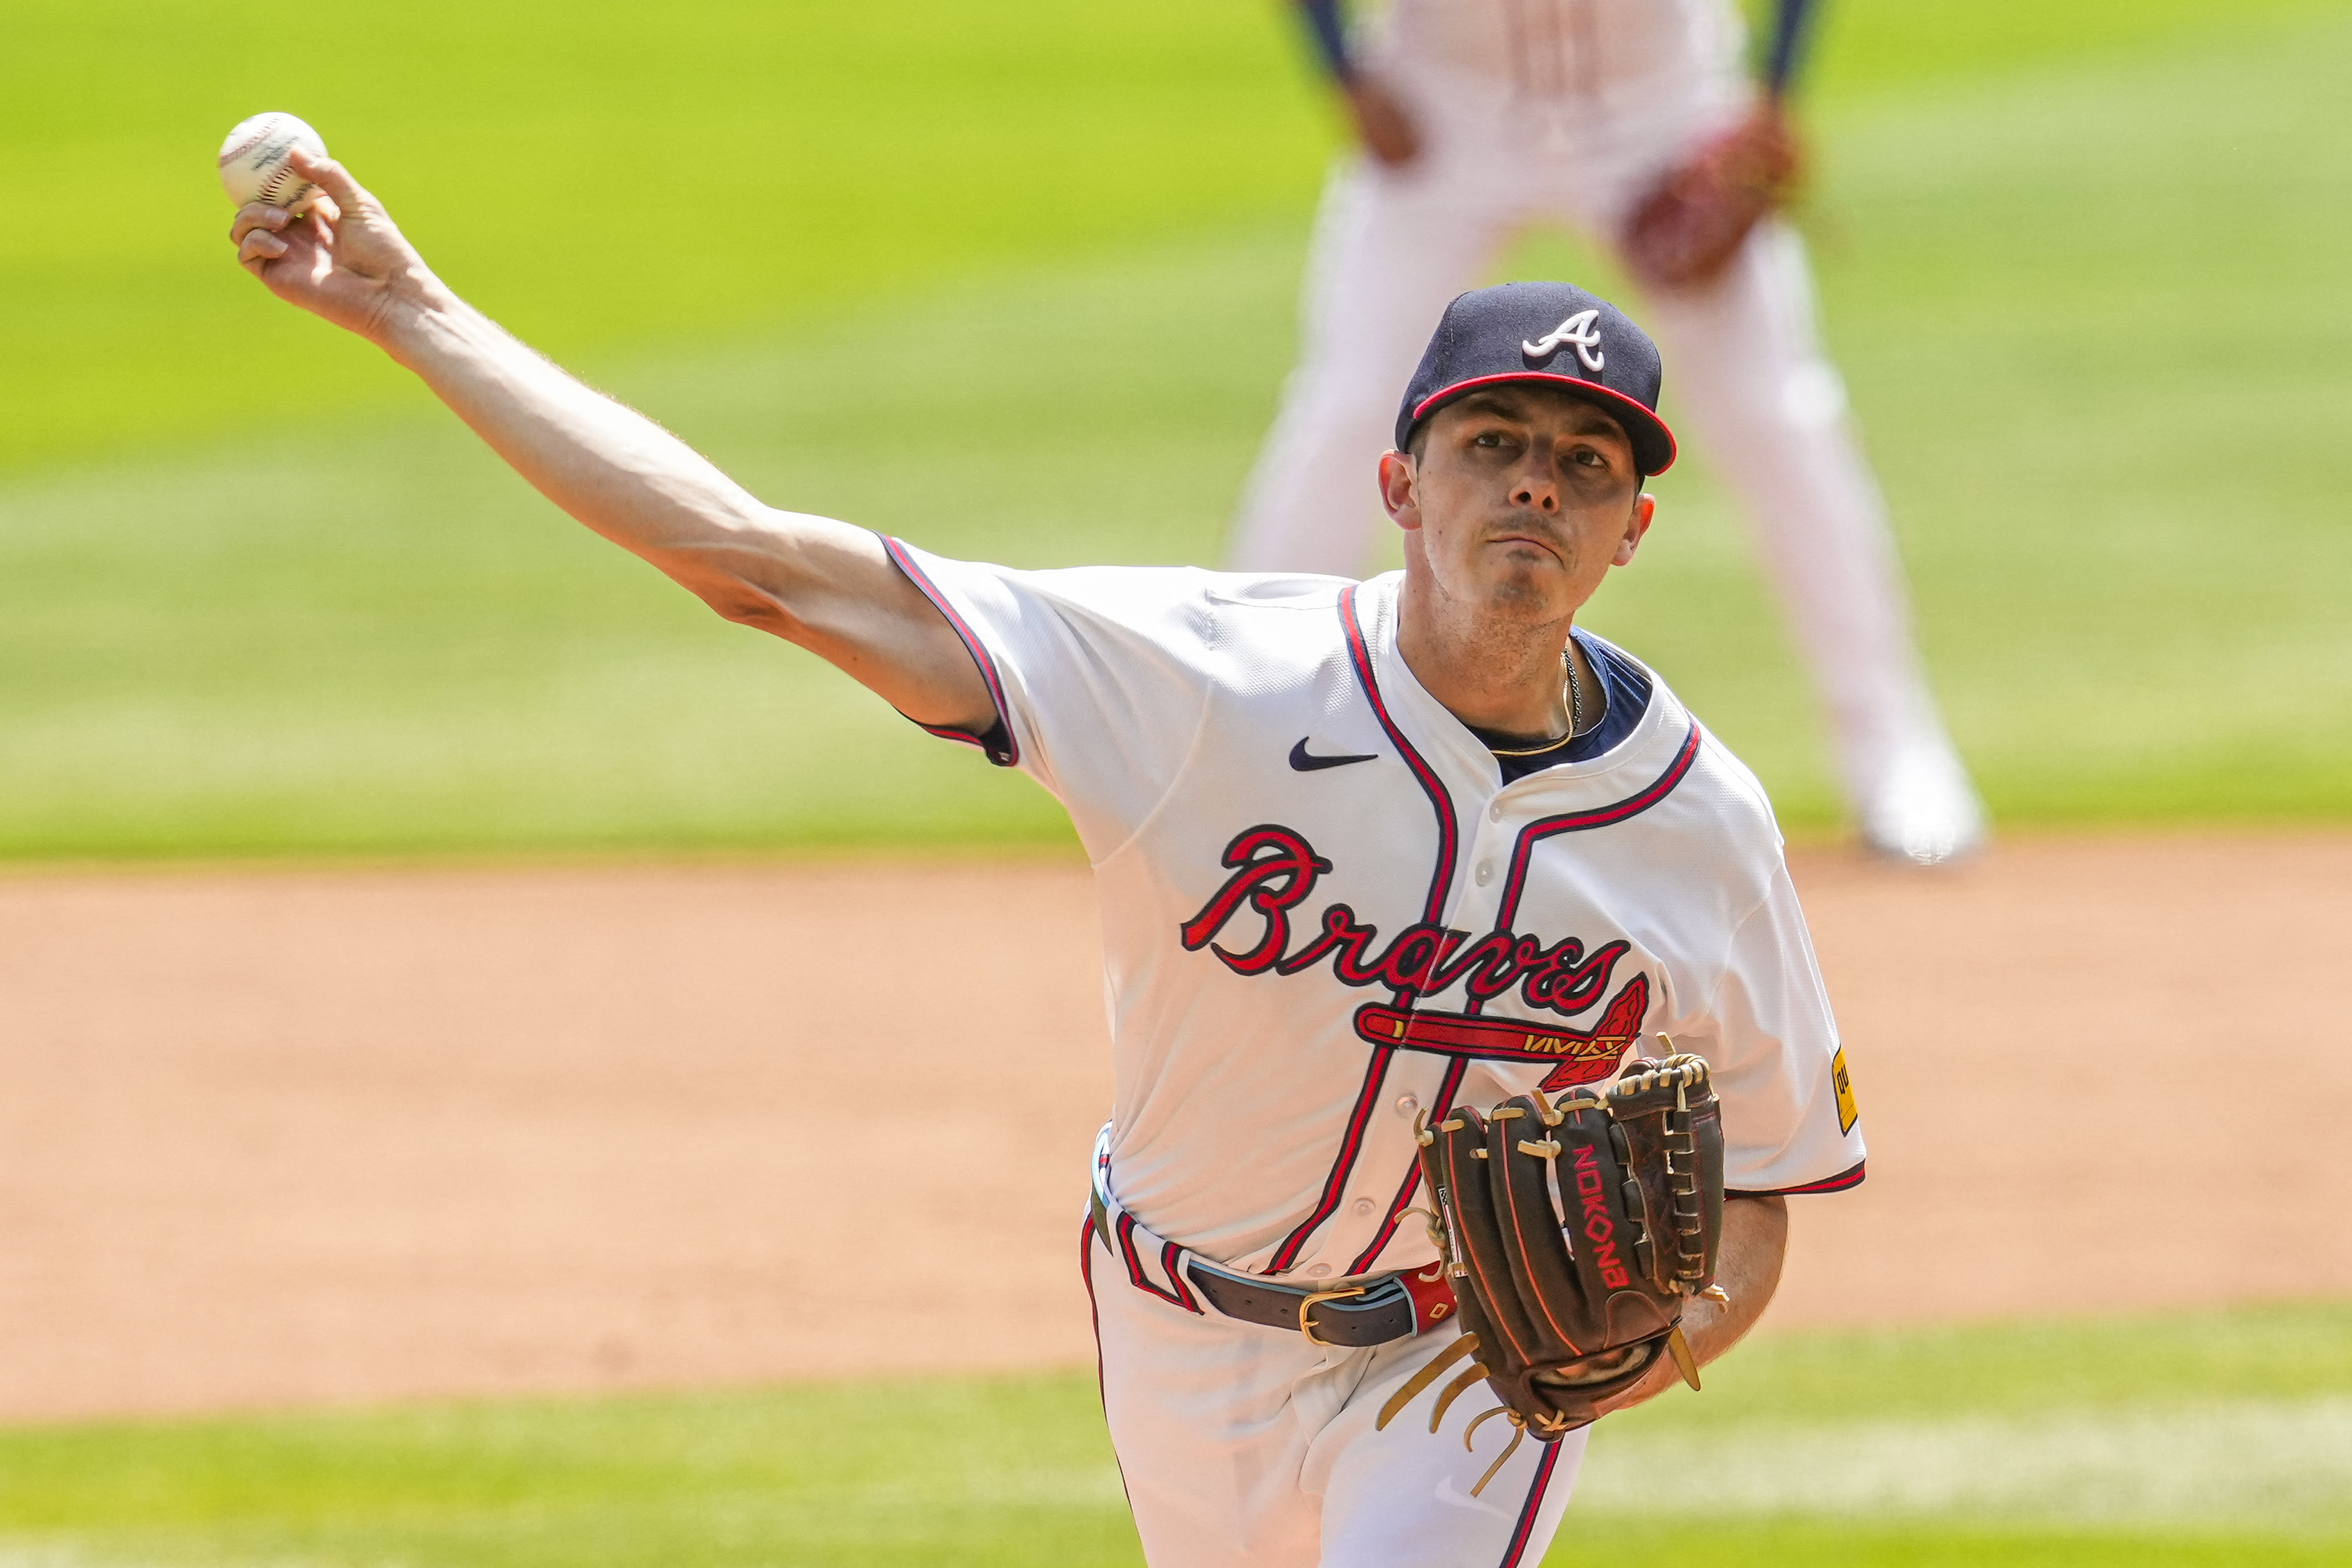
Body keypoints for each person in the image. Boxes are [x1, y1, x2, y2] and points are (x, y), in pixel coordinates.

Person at [231, 153, 1865, 1568]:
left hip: (1464, 1368)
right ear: (1398, 483)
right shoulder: (1201, 681)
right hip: (1173, 1318)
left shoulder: (1697, 821)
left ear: (1633, 528)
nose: (1537, 480)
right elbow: (755, 566)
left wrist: (1666, 1336)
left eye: (1588, 461)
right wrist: (412, 311)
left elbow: (1765, 1169)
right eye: (1493, 437)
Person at [1235, 0, 1986, 865]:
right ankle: (1251, 734)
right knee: (1347, 405)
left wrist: (1774, 96)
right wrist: (1343, 70)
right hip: (1445, 111)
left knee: (1777, 416)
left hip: (1660, 113)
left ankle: (1893, 749)